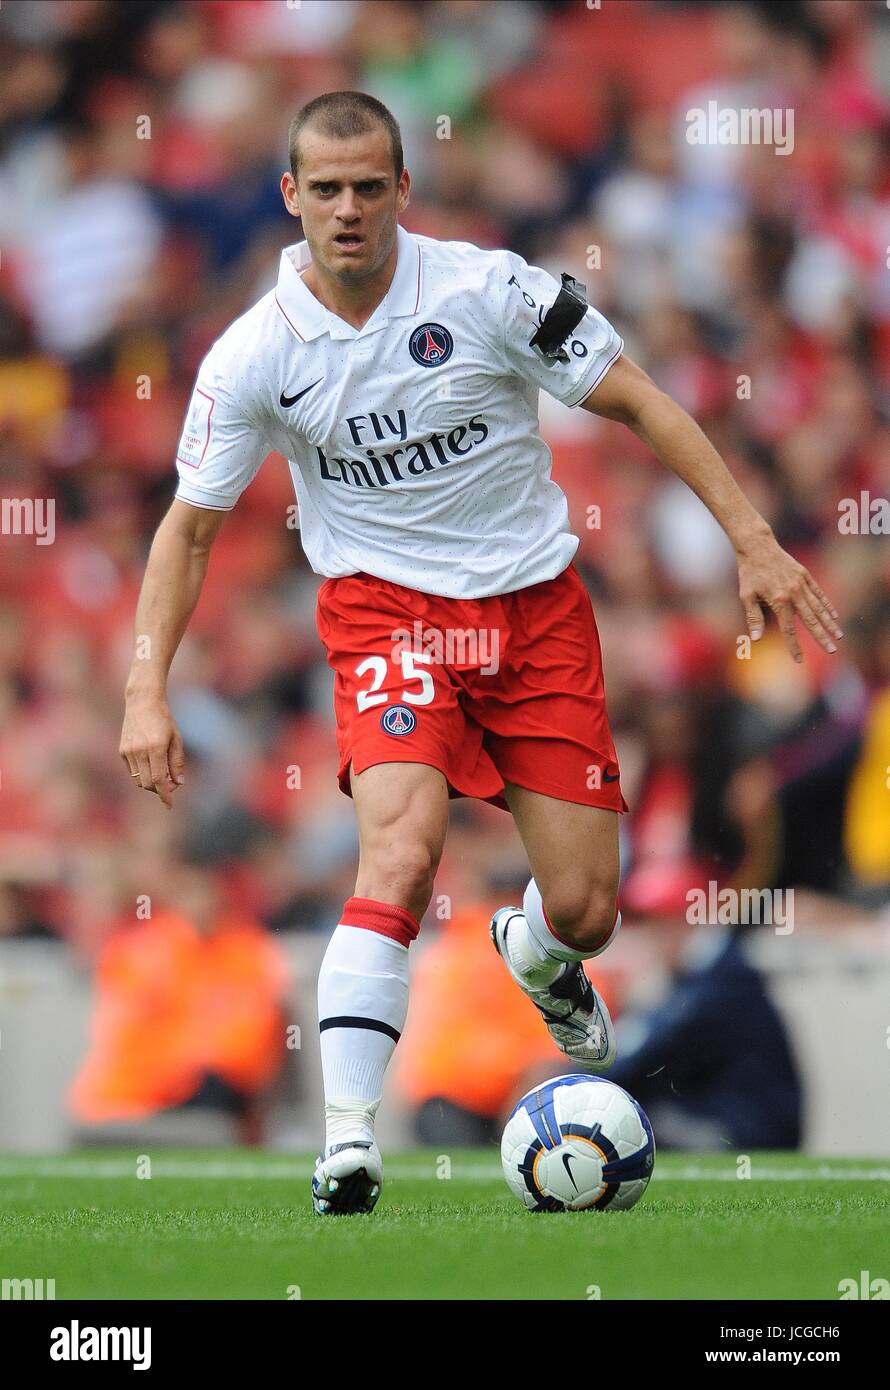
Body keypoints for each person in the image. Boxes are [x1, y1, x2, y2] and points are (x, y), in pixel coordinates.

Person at [119, 91, 842, 1215]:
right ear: (290, 199)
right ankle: (348, 1142)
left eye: (370, 186)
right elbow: (189, 529)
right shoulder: (252, 356)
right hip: (384, 620)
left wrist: (752, 539)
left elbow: (642, 402)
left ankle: (539, 955)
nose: (349, 210)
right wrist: (144, 688)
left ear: (404, 188)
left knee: (588, 907)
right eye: (326, 190)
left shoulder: (489, 291)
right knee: (399, 854)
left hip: (533, 615)